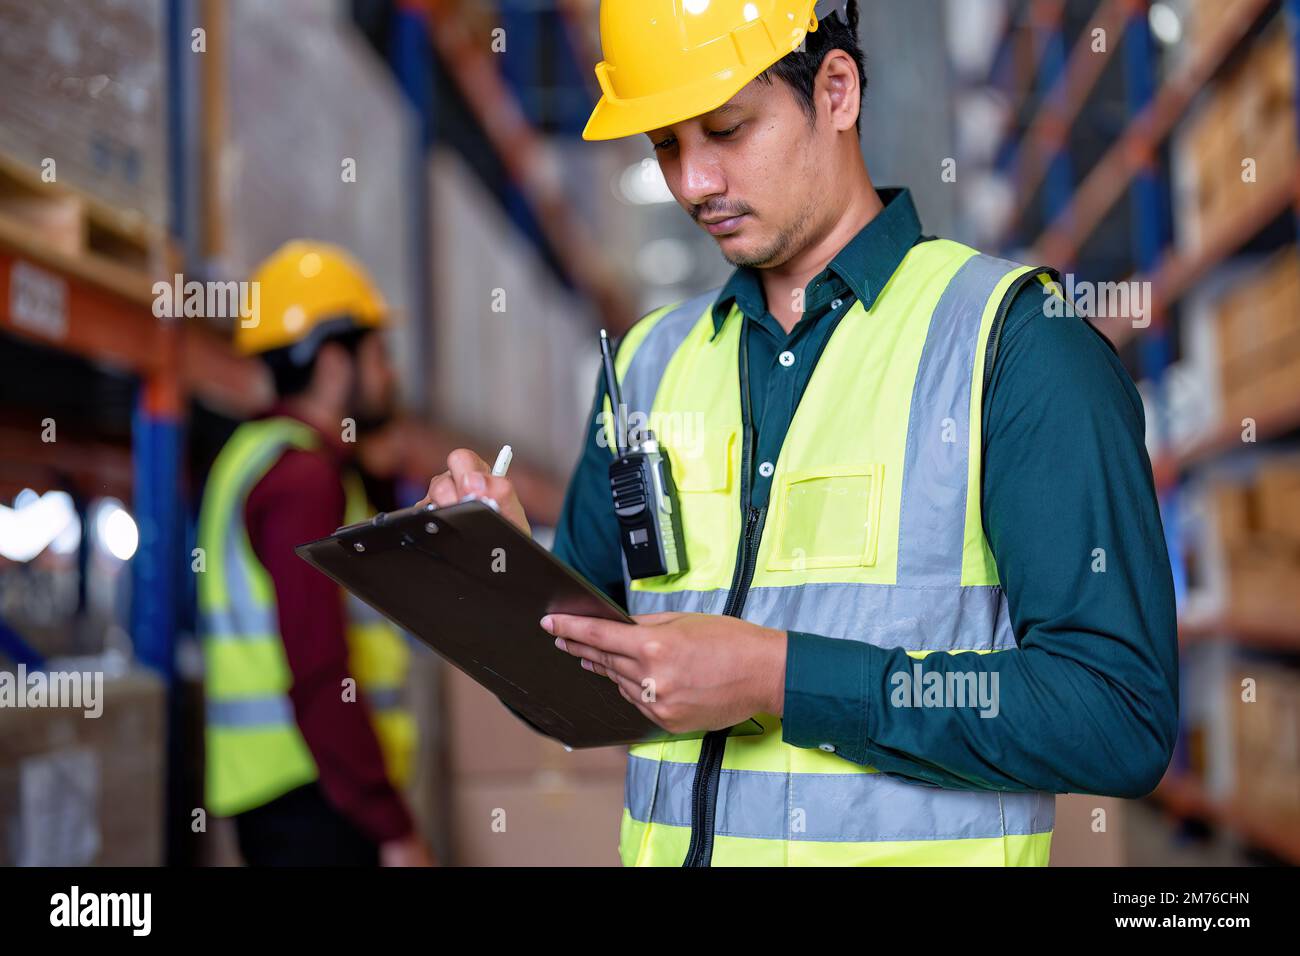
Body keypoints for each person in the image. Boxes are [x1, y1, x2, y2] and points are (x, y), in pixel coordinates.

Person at [421, 0, 1177, 866]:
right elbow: (579, 693)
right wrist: (502, 578)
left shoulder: (1013, 344)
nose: (694, 182)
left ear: (838, 91)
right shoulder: (646, 366)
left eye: (728, 129)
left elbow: (1118, 714)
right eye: (666, 145)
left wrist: (781, 679)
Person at [198, 240, 432, 867]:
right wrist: (393, 827)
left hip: (292, 796)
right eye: (379, 355)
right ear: (333, 364)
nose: (390, 377)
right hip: (318, 802)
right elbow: (320, 666)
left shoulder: (258, 459)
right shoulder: (304, 480)